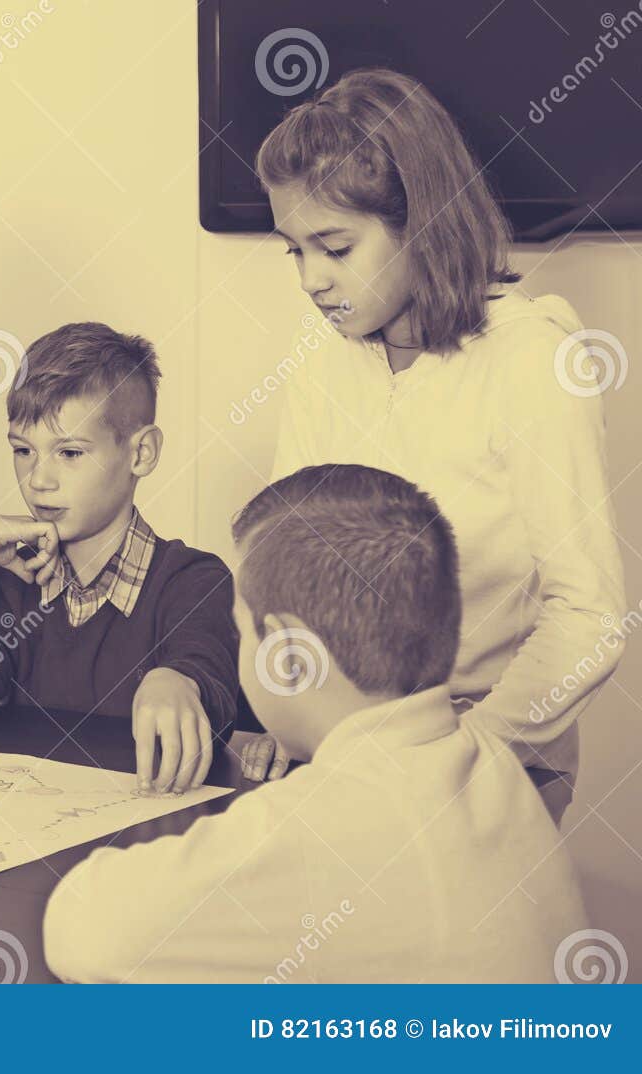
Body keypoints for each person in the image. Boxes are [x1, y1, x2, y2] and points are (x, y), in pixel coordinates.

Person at [243, 68, 625, 808]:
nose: (311, 280)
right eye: (295, 250)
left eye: (334, 246)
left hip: (495, 749)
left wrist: (464, 757)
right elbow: (282, 563)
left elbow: (590, 618)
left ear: (423, 222)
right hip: (345, 742)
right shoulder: (323, 356)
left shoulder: (534, 361)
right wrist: (280, 713)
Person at [43, 464, 588, 982]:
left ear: (288, 655)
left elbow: (79, 929)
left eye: (242, 632)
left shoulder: (319, 833)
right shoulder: (496, 765)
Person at [0, 323, 239, 794]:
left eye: (70, 452)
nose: (39, 479)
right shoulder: (7, 581)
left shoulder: (192, 580)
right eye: (23, 450)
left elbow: (212, 681)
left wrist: (179, 680)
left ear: (141, 453)